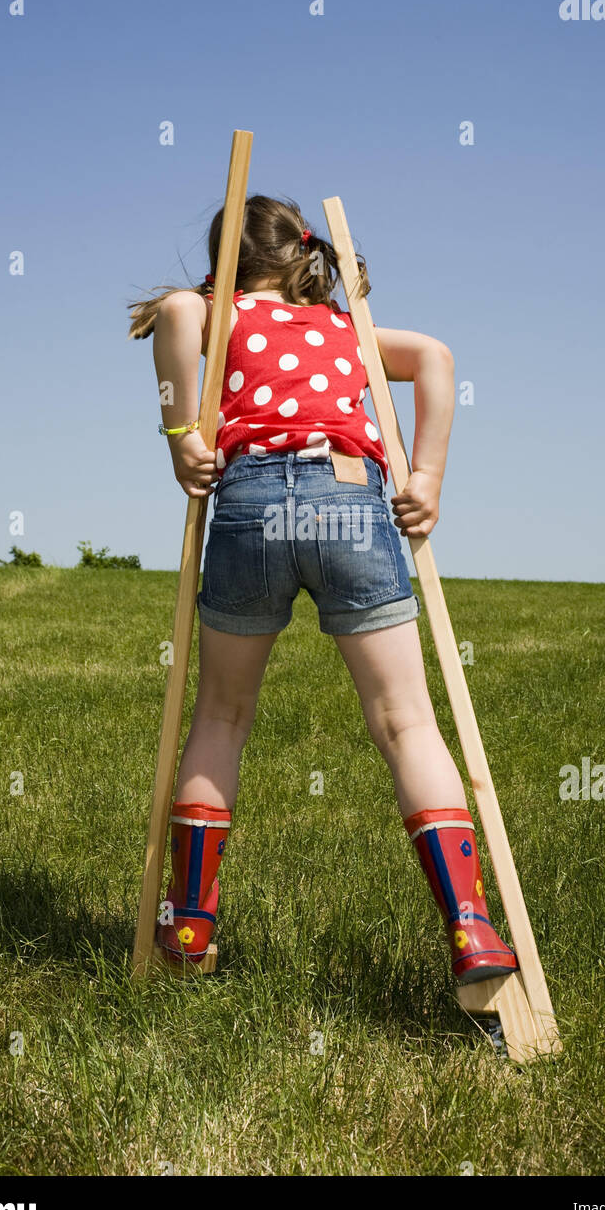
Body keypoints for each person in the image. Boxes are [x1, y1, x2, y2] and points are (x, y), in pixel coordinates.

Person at [127, 195, 517, 988]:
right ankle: (472, 932)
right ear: (300, 256)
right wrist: (429, 476)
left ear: (227, 262)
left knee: (224, 716)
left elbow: (172, 313)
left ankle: (189, 932)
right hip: (349, 500)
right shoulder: (349, 330)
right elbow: (436, 356)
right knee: (407, 721)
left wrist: (183, 439)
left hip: (251, 505)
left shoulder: (212, 312)